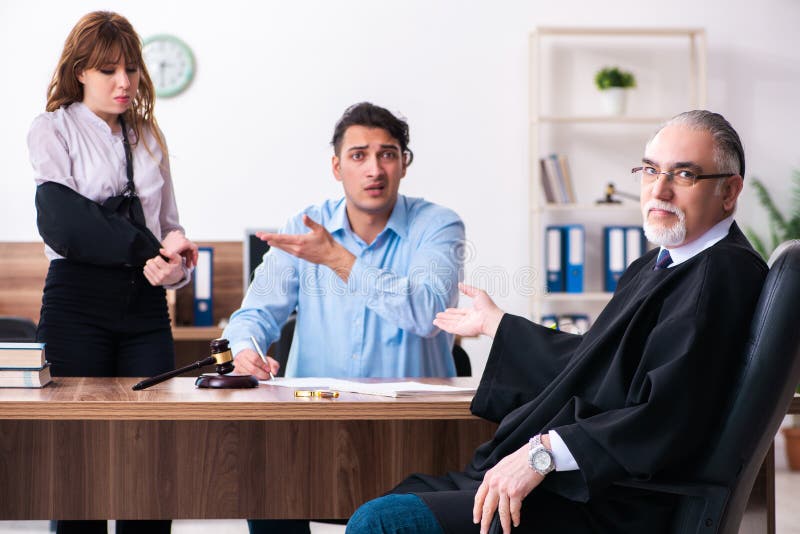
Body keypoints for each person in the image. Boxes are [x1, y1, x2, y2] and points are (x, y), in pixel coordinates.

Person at [346, 110, 768, 534]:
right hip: (598, 485)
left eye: (684, 175)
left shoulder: (720, 276)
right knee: (402, 497)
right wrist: (499, 325)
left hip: (618, 503)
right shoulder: (663, 265)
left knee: (385, 521)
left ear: (729, 191)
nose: (660, 190)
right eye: (650, 171)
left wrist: (542, 453)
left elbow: (667, 415)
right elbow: (598, 363)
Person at [222, 102, 465, 533]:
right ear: (337, 167)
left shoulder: (438, 225)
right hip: (314, 429)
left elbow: (429, 315)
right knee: (260, 480)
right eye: (359, 156)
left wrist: (338, 258)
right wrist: (246, 351)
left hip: (413, 434)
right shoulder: (304, 227)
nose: (374, 169)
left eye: (387, 154)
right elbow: (254, 314)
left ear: (404, 164)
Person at [28, 11, 198, 534]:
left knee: (150, 462)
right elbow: (63, 225)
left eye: (131, 69)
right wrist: (144, 247)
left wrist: (176, 263)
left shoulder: (148, 136)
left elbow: (168, 228)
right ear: (80, 71)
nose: (125, 83)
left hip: (144, 309)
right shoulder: (51, 129)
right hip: (76, 306)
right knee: (76, 464)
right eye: (108, 71)